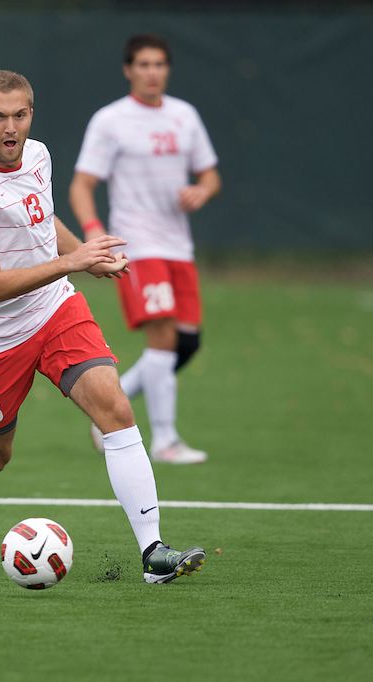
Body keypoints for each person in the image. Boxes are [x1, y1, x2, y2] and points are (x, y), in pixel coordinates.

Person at [0, 70, 204, 585]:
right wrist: (75, 261)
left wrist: (83, 256)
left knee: (116, 409)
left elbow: (44, 222)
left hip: (56, 309)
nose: (10, 127)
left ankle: (153, 553)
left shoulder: (38, 155)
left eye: (19, 115)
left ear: (31, 115)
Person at [69, 33, 221, 465]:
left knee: (185, 344)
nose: (151, 72)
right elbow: (82, 184)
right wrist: (96, 232)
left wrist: (201, 192)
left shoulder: (185, 116)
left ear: (167, 69)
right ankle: (166, 441)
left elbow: (211, 176)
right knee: (163, 339)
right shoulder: (111, 120)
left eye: (159, 64)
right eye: (143, 64)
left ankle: (105, 412)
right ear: (128, 70)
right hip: (138, 244)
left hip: (178, 247)